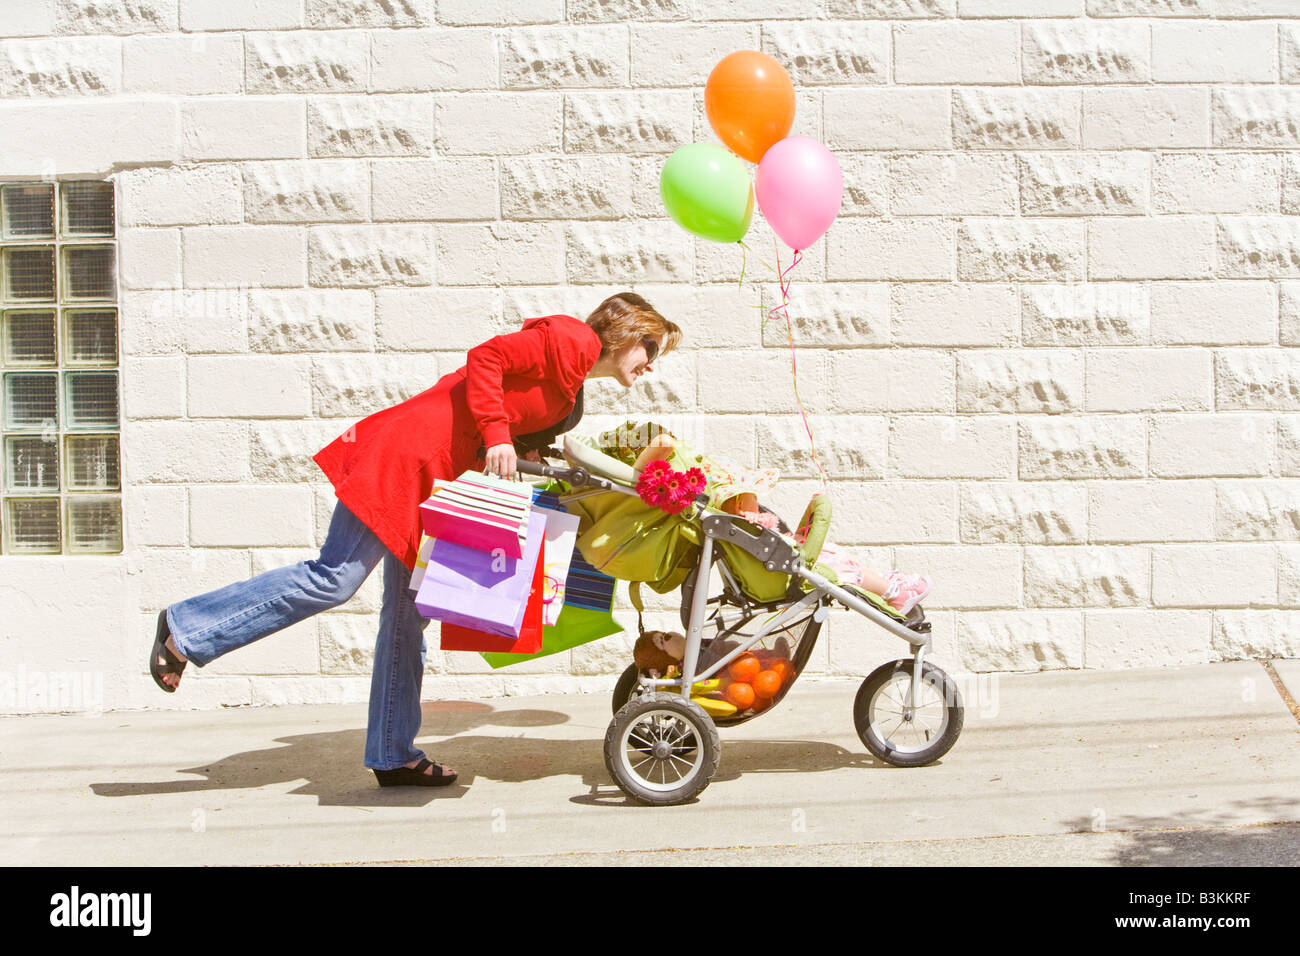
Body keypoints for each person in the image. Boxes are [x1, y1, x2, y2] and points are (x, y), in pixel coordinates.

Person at [149, 293, 682, 787]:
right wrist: (497, 434)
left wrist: (526, 450)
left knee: (408, 614)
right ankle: (186, 627)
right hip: (405, 457)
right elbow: (487, 358)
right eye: (650, 346)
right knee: (335, 579)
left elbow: (510, 414)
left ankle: (392, 751)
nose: (652, 362)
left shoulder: (573, 384)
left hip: (438, 478)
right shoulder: (572, 338)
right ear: (624, 332)